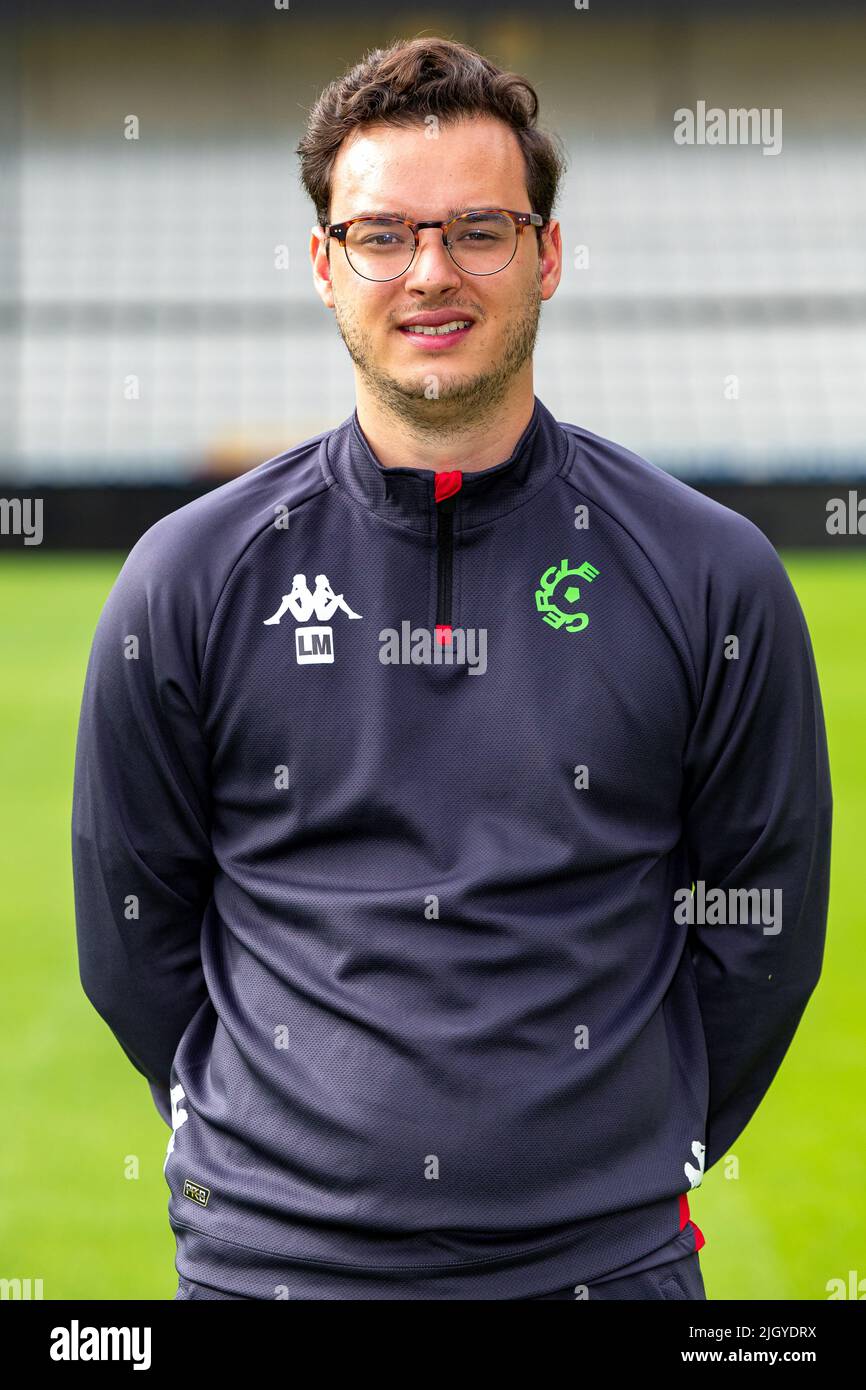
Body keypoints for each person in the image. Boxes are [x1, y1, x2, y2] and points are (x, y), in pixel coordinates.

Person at [71, 36, 832, 1301]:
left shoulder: (709, 572)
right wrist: (285, 1146)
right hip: (272, 1271)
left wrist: (623, 1153)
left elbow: (762, 928)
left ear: (545, 254)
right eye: (383, 235)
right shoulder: (187, 576)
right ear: (325, 264)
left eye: (478, 229)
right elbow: (131, 937)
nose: (430, 272)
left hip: (603, 1270)